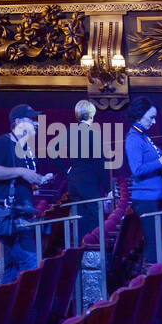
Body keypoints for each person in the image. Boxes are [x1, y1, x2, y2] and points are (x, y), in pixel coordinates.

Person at [0, 104, 52, 285]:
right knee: (31, 264)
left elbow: (23, 176)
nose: (36, 124)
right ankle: (28, 308)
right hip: (9, 216)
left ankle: (6, 308)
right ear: (18, 122)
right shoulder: (3, 142)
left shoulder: (26, 148)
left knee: (13, 269)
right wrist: (20, 171)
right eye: (31, 119)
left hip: (23, 215)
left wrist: (39, 179)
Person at [125, 98, 162, 265]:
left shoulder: (143, 136)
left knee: (158, 243)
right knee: (153, 245)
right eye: (151, 117)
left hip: (155, 197)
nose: (154, 121)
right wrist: (161, 161)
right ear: (140, 115)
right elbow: (136, 170)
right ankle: (149, 284)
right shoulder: (134, 138)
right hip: (146, 200)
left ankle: (154, 280)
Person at [67, 99, 113, 243]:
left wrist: (67, 171)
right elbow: (100, 164)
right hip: (89, 183)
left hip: (74, 182)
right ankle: (92, 254)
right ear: (92, 115)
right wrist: (107, 189)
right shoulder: (93, 134)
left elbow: (53, 151)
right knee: (94, 219)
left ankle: (79, 253)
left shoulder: (69, 132)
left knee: (79, 218)